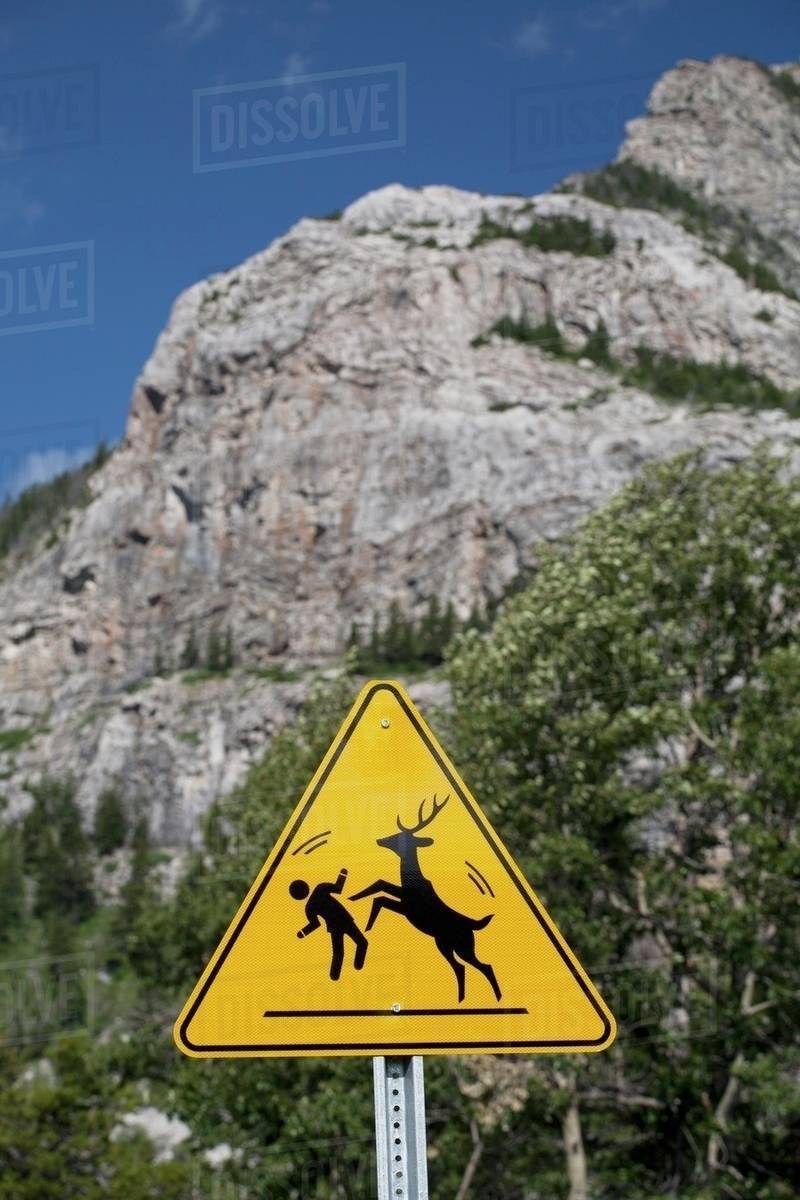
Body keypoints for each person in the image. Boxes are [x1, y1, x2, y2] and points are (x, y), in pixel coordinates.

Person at [290, 868, 368, 981]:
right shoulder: (320, 889)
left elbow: (315, 924)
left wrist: (303, 933)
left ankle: (351, 970)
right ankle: (340, 976)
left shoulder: (309, 906)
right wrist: (343, 874)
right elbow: (339, 888)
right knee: (359, 944)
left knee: (342, 951)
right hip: (343, 921)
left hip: (338, 925)